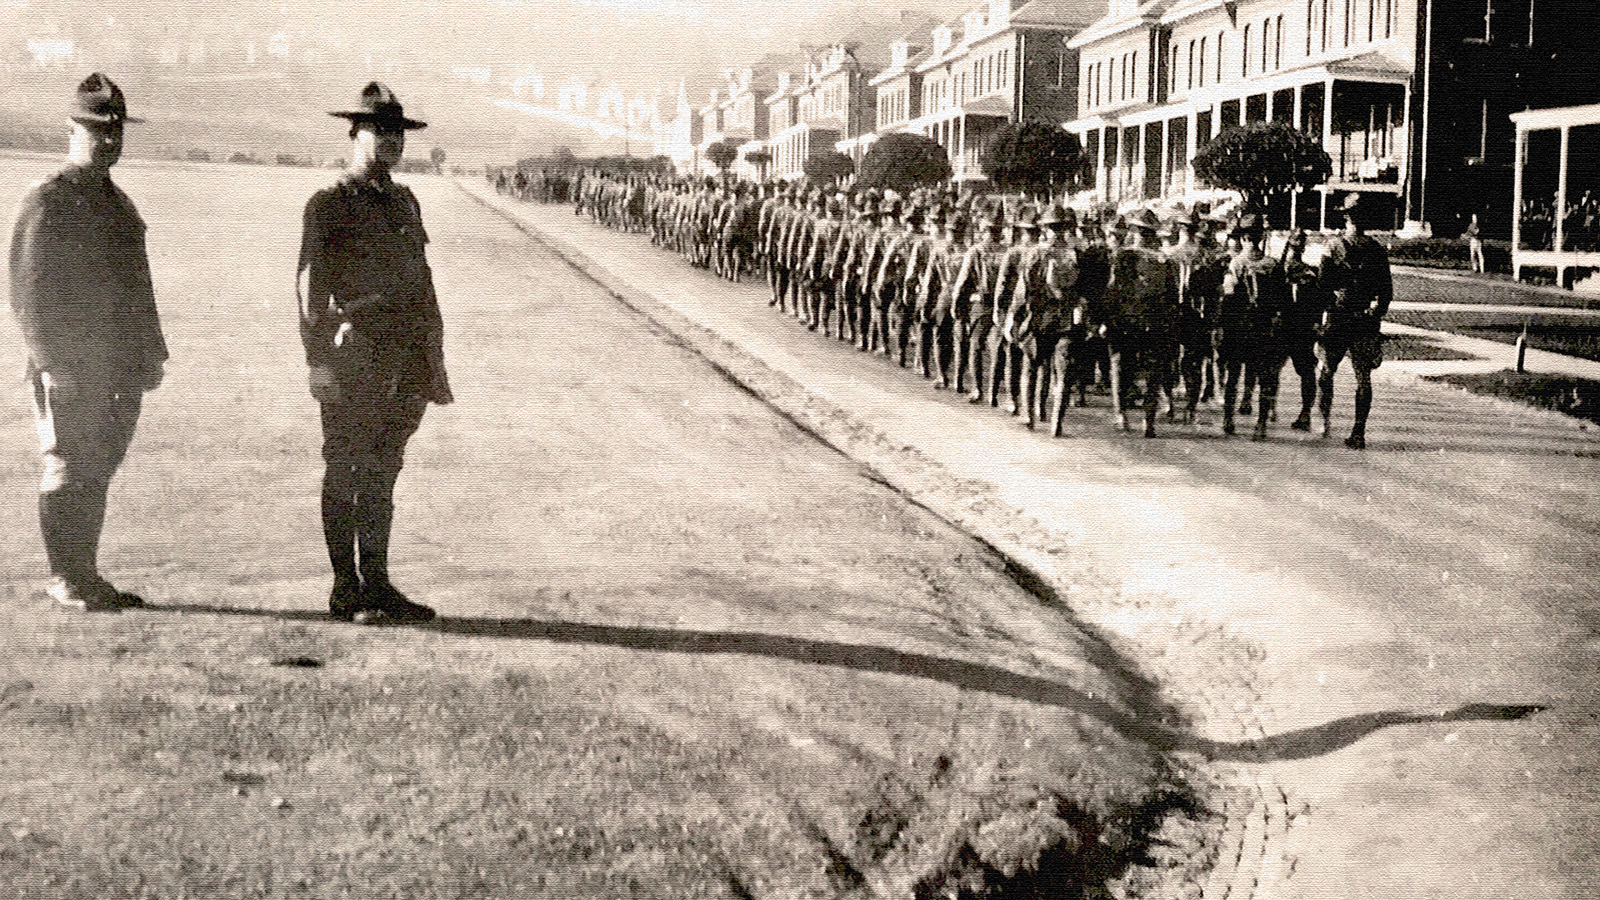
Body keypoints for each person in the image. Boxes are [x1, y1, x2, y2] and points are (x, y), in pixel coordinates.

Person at [9, 73, 167, 611]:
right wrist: (54, 364)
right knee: (67, 465)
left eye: (116, 131)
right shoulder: (49, 199)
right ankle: (64, 577)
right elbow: (28, 290)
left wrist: (152, 352)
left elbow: (139, 287)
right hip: (71, 366)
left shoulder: (119, 205)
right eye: (97, 128)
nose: (109, 140)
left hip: (118, 367)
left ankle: (86, 574)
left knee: (97, 468)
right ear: (70, 129)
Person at [297, 83, 453, 623]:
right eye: (378, 131)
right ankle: (346, 589)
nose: (389, 142)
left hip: (404, 359)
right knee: (346, 471)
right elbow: (309, 291)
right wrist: (318, 362)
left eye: (396, 133)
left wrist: (433, 351)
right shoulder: (330, 204)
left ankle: (379, 583)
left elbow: (422, 280)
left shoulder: (404, 201)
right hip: (354, 358)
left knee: (383, 474)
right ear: (354, 135)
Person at [1316, 194, 1392, 450]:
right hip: (1361, 319)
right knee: (1362, 378)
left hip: (1341, 316)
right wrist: (1376, 314)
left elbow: (1322, 285)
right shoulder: (1377, 250)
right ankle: (1357, 430)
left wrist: (1325, 312)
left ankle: (1326, 420)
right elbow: (1386, 293)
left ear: (1346, 217)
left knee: (1327, 371)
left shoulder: (1333, 247)